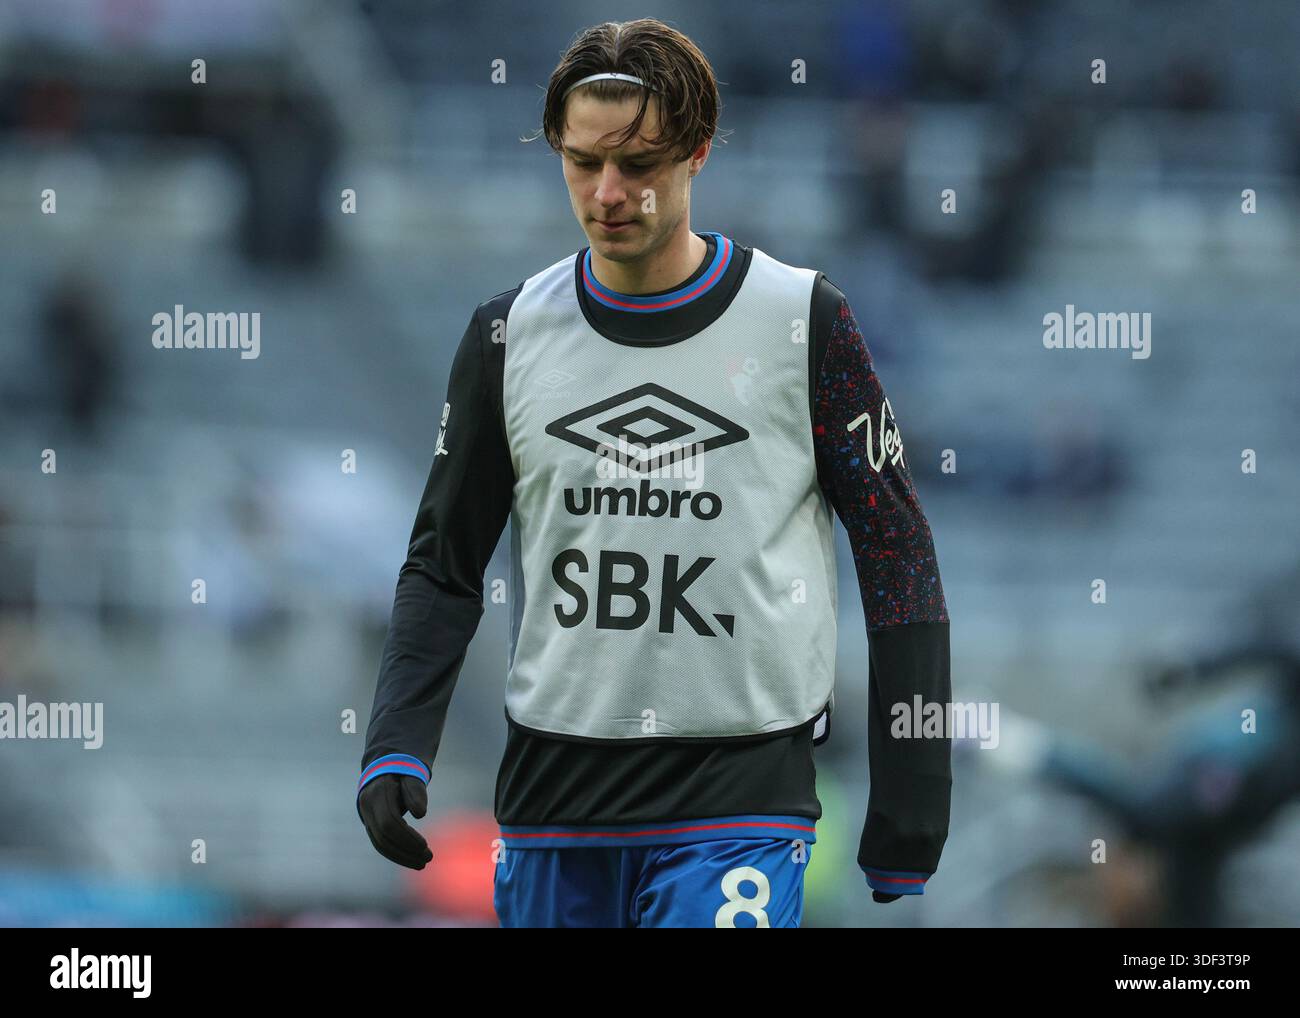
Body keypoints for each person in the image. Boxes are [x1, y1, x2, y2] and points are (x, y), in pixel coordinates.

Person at [357, 18, 952, 928]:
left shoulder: (802, 322)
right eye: (582, 162)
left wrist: (910, 805)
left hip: (739, 794)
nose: (607, 193)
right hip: (554, 801)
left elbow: (897, 553)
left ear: (698, 153)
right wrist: (397, 743)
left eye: (638, 165)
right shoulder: (507, 336)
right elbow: (444, 562)